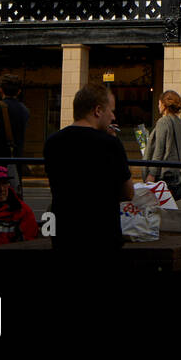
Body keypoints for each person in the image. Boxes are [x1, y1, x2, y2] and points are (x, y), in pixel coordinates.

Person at [43, 84, 133, 268]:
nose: (113, 116)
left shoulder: (52, 143)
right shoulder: (110, 144)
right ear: (98, 110)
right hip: (102, 237)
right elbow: (128, 193)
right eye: (111, 110)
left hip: (65, 236)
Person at [0, 73, 30, 196]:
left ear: (0, 89)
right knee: (13, 194)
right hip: (15, 159)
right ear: (19, 91)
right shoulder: (24, 109)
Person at [143, 90, 181, 201]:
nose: (158, 106)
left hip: (163, 173)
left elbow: (159, 150)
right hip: (175, 171)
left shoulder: (163, 122)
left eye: (159, 103)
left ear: (164, 104)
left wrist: (152, 174)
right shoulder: (179, 122)